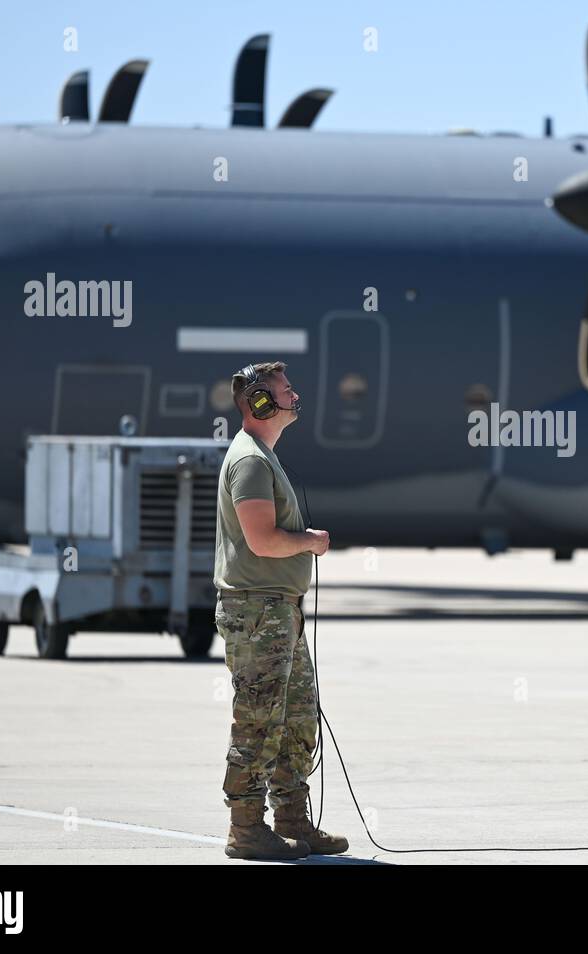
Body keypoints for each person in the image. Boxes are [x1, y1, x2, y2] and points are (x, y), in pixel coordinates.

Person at [213, 360, 348, 860]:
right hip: (257, 612)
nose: (295, 395)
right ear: (262, 403)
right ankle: (245, 828)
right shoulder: (249, 461)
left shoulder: (264, 458)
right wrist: (309, 542)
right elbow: (263, 541)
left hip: (279, 611)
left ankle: (293, 822)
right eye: (284, 390)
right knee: (258, 719)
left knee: (296, 720)